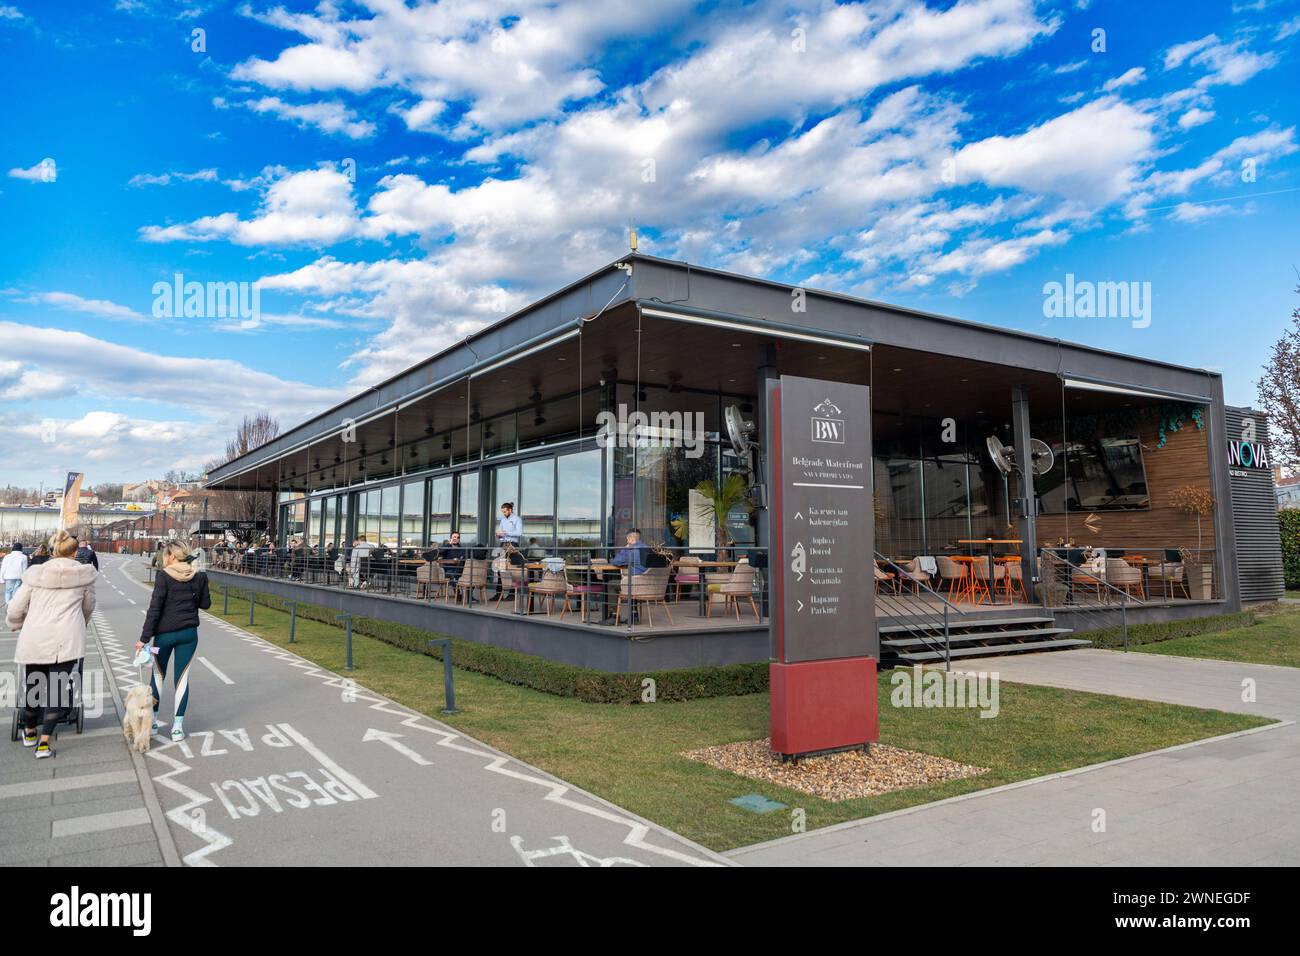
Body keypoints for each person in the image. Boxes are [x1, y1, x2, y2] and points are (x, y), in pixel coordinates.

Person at [5, 530, 95, 758]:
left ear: (54, 550)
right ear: (75, 553)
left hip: (35, 636)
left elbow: (16, 607)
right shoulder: (84, 576)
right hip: (67, 639)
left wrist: (15, 623)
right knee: (58, 688)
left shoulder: (35, 575)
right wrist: (79, 623)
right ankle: (44, 743)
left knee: (33, 685)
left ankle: (30, 730)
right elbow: (88, 607)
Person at [135, 540, 211, 742]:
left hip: (163, 637)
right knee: (182, 679)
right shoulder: (199, 576)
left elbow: (155, 609)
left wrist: (143, 639)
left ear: (170, 556)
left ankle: (153, 723)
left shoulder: (164, 577)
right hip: (189, 635)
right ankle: (177, 728)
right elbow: (206, 604)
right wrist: (200, 584)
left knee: (158, 676)